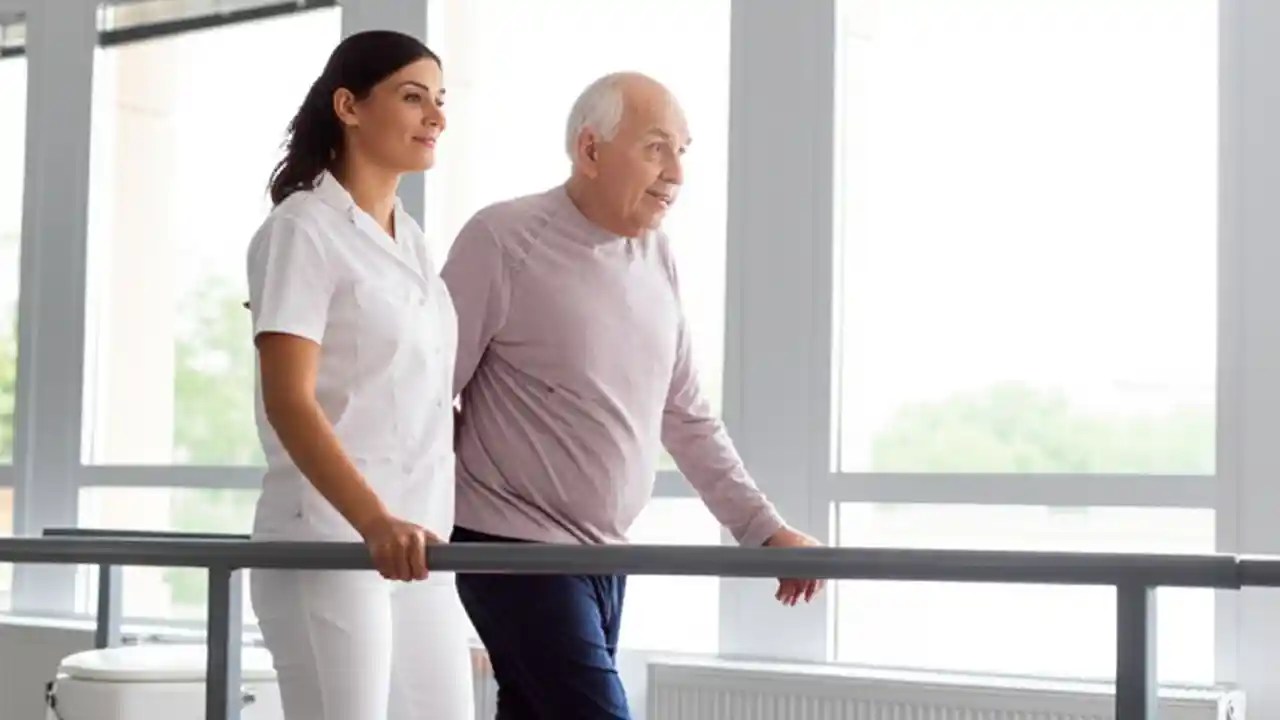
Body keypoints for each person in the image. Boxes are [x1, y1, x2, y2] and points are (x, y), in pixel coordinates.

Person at [440, 71, 825, 719]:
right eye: (655, 147)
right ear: (590, 151)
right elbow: (426, 393)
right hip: (511, 550)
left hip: (607, 553)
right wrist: (402, 522)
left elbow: (687, 415)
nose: (676, 171)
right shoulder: (503, 239)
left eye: (683, 150)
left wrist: (764, 531)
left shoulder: (657, 256)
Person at [245, 30, 472, 720]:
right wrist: (374, 521)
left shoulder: (412, 240)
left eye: (440, 100)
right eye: (412, 97)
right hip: (333, 542)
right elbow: (288, 401)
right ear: (348, 105)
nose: (435, 115)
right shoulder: (301, 230)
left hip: (422, 545)